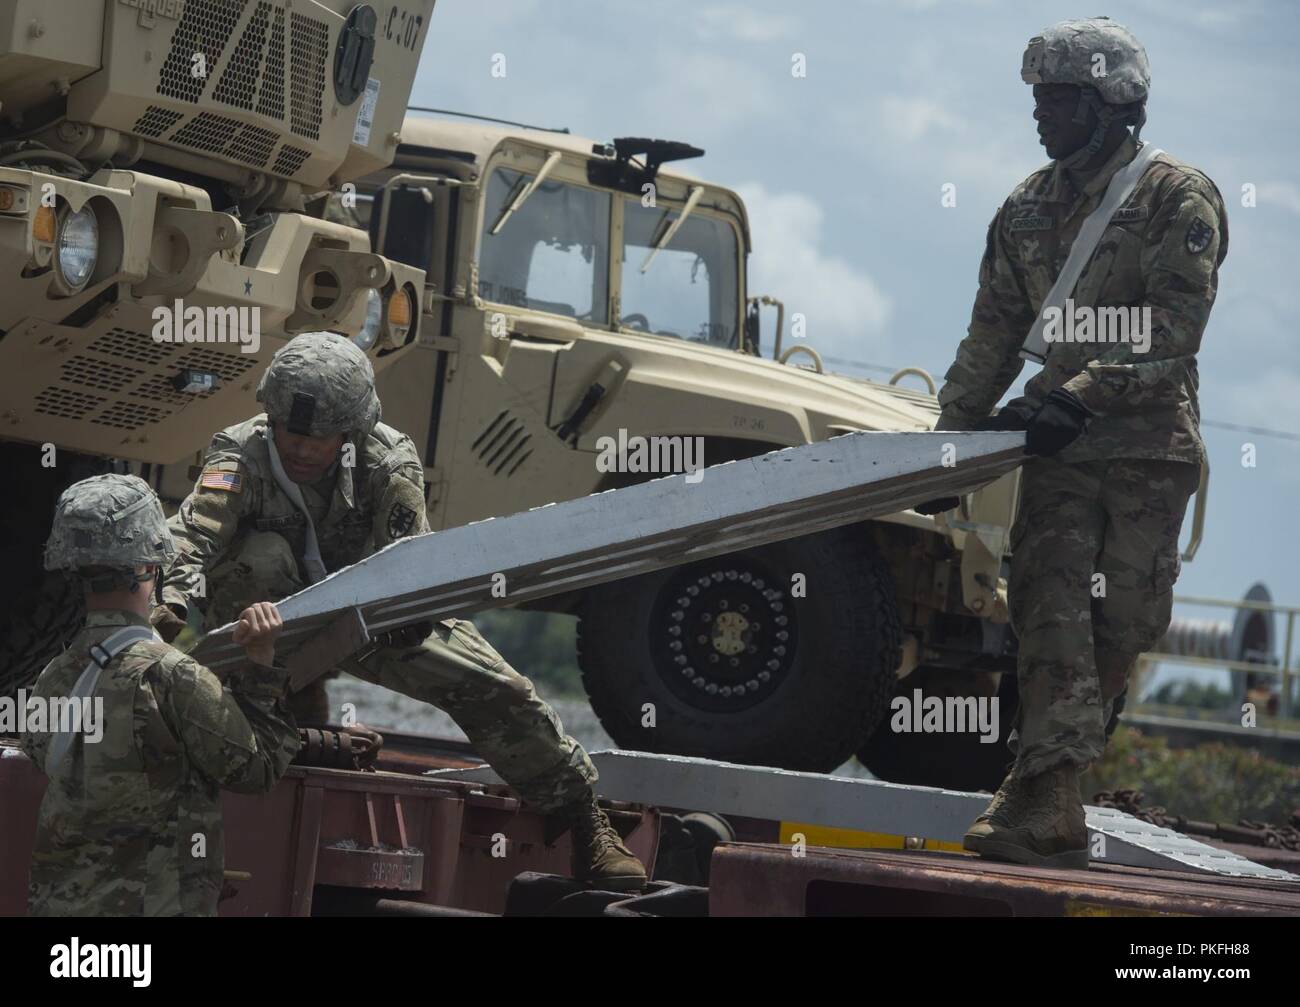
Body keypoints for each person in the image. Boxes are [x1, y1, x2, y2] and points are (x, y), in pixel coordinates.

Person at [152, 332, 647, 890]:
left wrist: (409, 617)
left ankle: (585, 818)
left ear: (350, 430)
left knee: (500, 688)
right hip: (262, 623)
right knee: (261, 559)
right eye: (291, 430)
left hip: (374, 616)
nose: (301, 447)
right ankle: (285, 701)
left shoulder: (388, 461)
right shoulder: (239, 453)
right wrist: (167, 601)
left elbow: (411, 564)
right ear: (271, 416)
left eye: (319, 436)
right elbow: (194, 532)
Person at [924, 17, 1228, 867]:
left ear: (1111, 103)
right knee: (1048, 614)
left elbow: (1175, 328)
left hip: (1145, 454)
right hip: (1059, 456)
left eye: (1058, 98)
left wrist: (1082, 395)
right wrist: (946, 444)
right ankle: (1048, 797)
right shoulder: (1026, 207)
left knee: (1115, 629)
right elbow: (991, 333)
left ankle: (1042, 790)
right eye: (1036, 97)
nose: (1039, 114)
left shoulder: (1177, 197)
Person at [21, 474, 298, 916]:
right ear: (151, 563)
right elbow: (257, 770)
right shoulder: (174, 676)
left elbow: (49, 758)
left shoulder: (52, 678)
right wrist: (261, 665)